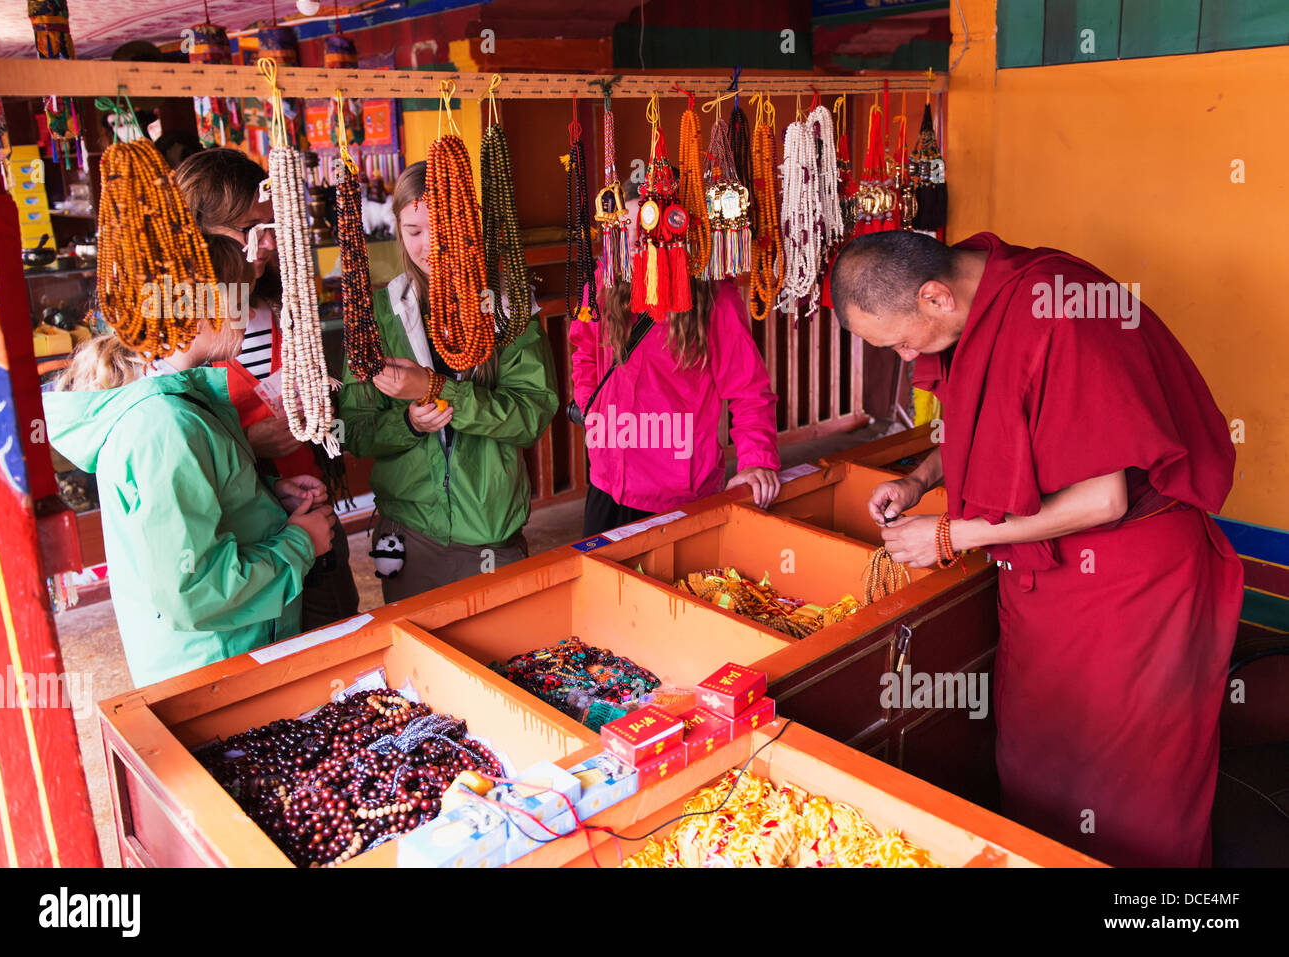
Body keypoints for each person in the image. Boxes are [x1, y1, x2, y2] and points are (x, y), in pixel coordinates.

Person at [829, 229, 1243, 867]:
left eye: (900, 342)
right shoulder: (983, 298)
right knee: (1041, 758)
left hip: (1130, 584)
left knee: (1129, 786)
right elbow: (995, 419)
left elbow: (1101, 499)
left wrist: (947, 534)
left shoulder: (1061, 310)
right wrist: (919, 480)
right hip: (1044, 580)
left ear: (935, 297)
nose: (906, 358)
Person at [44, 237, 335, 687]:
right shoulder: (165, 426)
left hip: (231, 653)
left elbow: (198, 508)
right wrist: (300, 543)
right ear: (207, 307)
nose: (249, 310)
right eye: (240, 295)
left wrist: (262, 495)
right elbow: (194, 591)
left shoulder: (179, 401)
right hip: (214, 669)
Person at [339, 161, 558, 602]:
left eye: (442, 227)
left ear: (467, 224)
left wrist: (437, 389)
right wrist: (409, 423)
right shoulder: (380, 313)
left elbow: (531, 416)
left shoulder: (507, 305)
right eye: (414, 230)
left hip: (490, 530)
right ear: (398, 231)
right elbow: (355, 431)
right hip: (408, 531)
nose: (429, 245)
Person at [174, 147, 359, 629]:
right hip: (243, 548)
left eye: (272, 229)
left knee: (336, 634)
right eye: (251, 232)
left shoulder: (281, 304)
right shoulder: (182, 334)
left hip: (311, 512)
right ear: (200, 232)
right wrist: (248, 444)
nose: (269, 246)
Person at [569, 191, 781, 538]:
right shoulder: (602, 280)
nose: (636, 244)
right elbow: (585, 351)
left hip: (677, 492)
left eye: (648, 231)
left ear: (675, 229)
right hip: (606, 480)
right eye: (627, 232)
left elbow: (749, 391)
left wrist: (757, 461)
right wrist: (591, 406)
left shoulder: (714, 298)